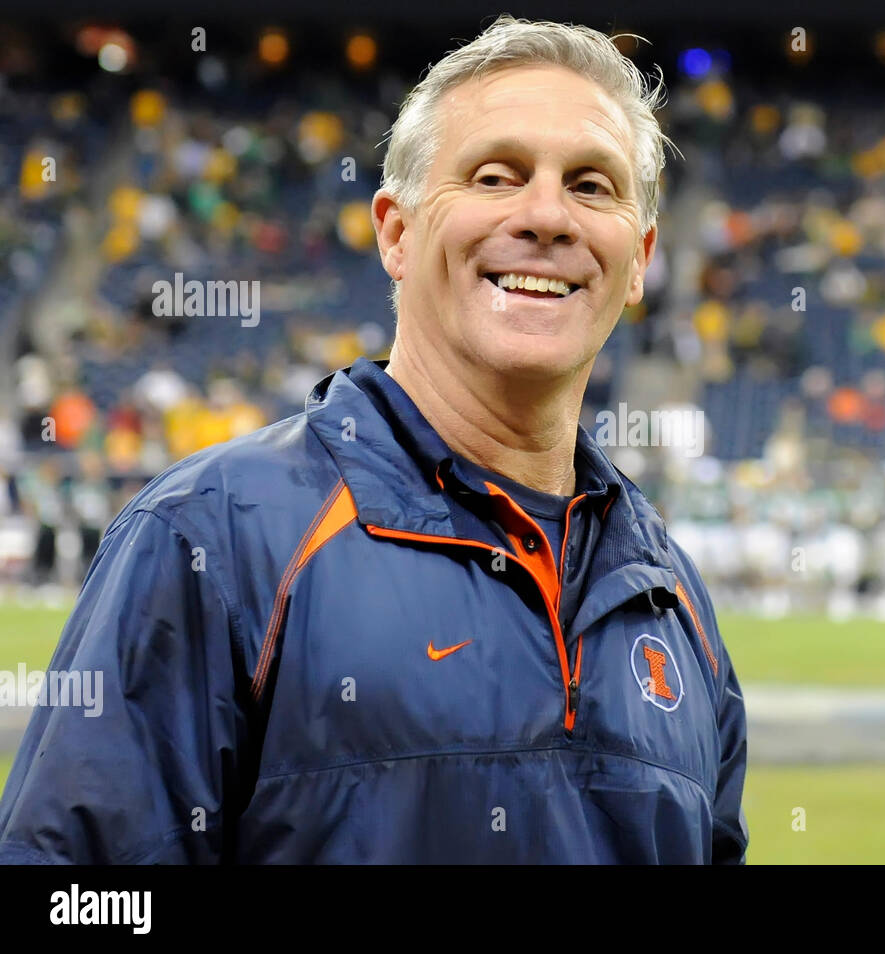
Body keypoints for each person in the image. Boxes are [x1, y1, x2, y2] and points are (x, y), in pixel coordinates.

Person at [0, 15, 748, 864]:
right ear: (395, 231)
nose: (547, 216)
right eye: (497, 176)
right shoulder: (210, 538)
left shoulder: (672, 597)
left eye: (591, 185)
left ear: (641, 256)